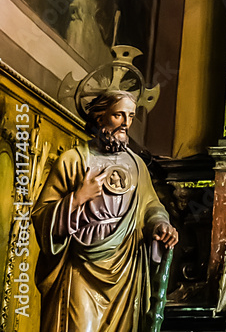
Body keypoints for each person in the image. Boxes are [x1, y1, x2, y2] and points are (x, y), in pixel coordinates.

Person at [31, 89, 178, 331]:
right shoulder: (73, 160)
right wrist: (77, 199)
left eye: (131, 116)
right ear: (100, 117)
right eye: (118, 115)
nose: (126, 123)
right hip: (81, 266)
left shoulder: (137, 165)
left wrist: (160, 224)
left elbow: (150, 205)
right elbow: (41, 216)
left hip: (125, 266)